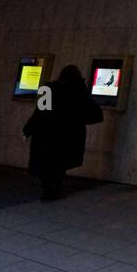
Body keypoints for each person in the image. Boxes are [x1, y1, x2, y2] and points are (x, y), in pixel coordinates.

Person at [22, 65, 102, 201]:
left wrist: (28, 129)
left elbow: (39, 112)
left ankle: (47, 186)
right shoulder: (78, 91)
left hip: (46, 132)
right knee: (60, 163)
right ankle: (54, 187)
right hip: (68, 134)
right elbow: (92, 113)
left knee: (45, 160)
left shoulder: (49, 89)